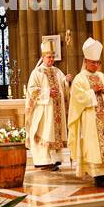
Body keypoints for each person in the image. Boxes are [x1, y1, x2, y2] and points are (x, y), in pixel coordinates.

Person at [67, 37, 104, 187]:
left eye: (98, 62)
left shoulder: (103, 77)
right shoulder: (79, 79)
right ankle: (97, 175)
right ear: (86, 61)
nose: (96, 65)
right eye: (93, 62)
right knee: (93, 145)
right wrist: (92, 92)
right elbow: (77, 97)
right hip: (90, 119)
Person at [24, 38, 69, 169]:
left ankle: (56, 160)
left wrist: (66, 81)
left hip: (56, 111)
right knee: (46, 133)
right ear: (43, 57)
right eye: (49, 57)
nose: (51, 60)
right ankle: (43, 160)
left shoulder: (57, 71)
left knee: (55, 135)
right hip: (44, 111)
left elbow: (64, 87)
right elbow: (32, 90)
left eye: (52, 57)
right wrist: (47, 92)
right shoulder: (36, 72)